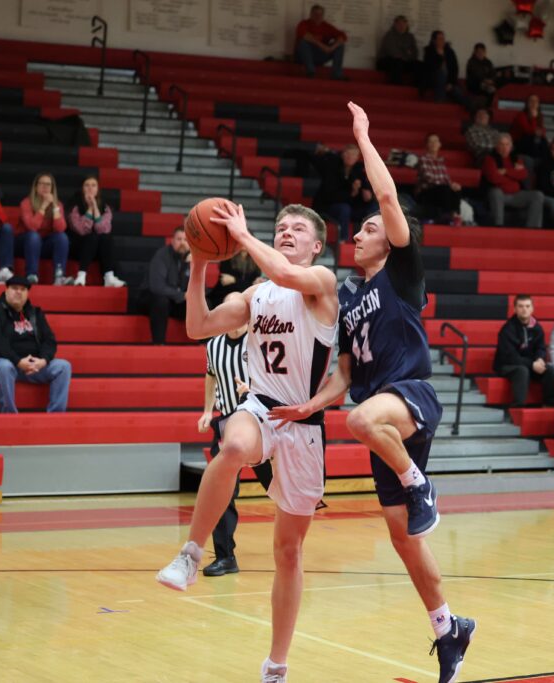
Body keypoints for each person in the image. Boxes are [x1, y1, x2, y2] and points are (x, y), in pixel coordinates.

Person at [268, 101, 475, 683]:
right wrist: (310, 405)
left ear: (389, 237)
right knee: (404, 539)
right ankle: (448, 627)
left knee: (360, 422)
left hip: (411, 394)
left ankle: (419, 483)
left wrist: (363, 138)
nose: (357, 234)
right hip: (383, 411)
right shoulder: (352, 299)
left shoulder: (401, 271)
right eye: (357, 229)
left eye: (367, 229)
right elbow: (345, 376)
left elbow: (388, 202)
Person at [156, 201, 339, 683]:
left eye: (298, 228)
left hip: (302, 420)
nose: (286, 232)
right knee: (233, 445)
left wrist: (240, 234)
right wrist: (199, 261)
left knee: (288, 552)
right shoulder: (255, 295)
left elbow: (283, 270)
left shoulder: (322, 282)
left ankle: (276, 665)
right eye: (280, 226)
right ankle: (191, 554)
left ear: (316, 246)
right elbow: (197, 326)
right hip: (258, 406)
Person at [199, 292, 272, 577]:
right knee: (221, 491)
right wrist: (207, 410)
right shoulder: (214, 345)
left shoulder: (259, 340)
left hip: (259, 424)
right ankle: (225, 556)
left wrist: (252, 391)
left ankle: (293, 545)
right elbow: (210, 375)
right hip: (227, 424)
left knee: (283, 491)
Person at [0, 275, 72, 414]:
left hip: (32, 365)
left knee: (63, 366)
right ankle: (10, 415)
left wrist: (43, 360)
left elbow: (49, 340)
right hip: (4, 364)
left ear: (27, 293)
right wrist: (17, 361)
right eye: (14, 288)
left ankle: (56, 414)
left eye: (23, 289)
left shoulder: (35, 313)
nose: (18, 292)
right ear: (6, 290)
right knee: (4, 366)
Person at [495, 295, 554, 407]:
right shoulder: (508, 329)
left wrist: (539, 358)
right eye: (521, 306)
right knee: (522, 371)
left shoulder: (537, 328)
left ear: (532, 309)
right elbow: (510, 356)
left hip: (530, 364)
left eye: (527, 306)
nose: (524, 309)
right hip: (506, 365)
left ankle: (549, 404)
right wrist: (532, 364)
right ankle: (517, 408)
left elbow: (541, 348)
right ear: (515, 309)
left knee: (549, 370)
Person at [66, 176, 125, 288]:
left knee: (106, 238)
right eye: (87, 185)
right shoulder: (75, 206)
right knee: (91, 237)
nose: (90, 188)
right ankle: (81, 275)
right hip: (78, 247)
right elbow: (82, 230)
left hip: (97, 249)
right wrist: (89, 208)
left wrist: (95, 208)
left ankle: (108, 277)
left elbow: (103, 230)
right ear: (82, 188)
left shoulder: (105, 207)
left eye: (93, 185)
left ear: (98, 189)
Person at [311, 144, 374, 241]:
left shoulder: (358, 171)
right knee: (344, 209)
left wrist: (367, 194)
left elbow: (366, 194)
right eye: (348, 154)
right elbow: (330, 195)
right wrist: (352, 193)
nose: (350, 157)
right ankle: (342, 240)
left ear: (357, 158)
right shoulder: (333, 168)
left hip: (353, 207)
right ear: (343, 155)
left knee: (374, 207)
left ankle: (371, 238)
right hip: (328, 206)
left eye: (353, 155)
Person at [19, 173, 71, 286]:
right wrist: (44, 205)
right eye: (41, 183)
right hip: (26, 243)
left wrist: (54, 207)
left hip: (45, 244)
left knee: (62, 237)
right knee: (34, 235)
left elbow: (60, 228)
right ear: (35, 187)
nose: (45, 187)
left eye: (48, 184)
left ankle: (59, 276)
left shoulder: (58, 204)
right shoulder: (26, 203)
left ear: (52, 188)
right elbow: (32, 227)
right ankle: (31, 274)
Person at [483, 134, 544, 228]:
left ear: (511, 146)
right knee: (495, 192)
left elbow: (523, 174)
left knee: (538, 195)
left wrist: (506, 171)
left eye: (507, 144)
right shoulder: (490, 159)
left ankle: (533, 229)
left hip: (516, 194)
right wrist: (514, 176)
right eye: (501, 144)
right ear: (496, 146)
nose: (504, 147)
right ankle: (498, 227)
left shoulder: (516, 158)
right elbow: (494, 178)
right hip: (500, 195)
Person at [144, 226, 191, 345]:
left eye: (185, 240)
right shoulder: (162, 255)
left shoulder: (192, 259)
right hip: (153, 300)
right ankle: (158, 343)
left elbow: (203, 288)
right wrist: (182, 295)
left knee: (204, 302)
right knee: (161, 301)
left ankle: (205, 345)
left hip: (176, 302)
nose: (182, 243)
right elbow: (157, 287)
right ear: (172, 240)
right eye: (179, 239)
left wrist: (195, 267)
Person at [415, 133, 462, 224]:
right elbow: (428, 178)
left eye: (436, 141)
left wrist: (452, 185)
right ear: (427, 145)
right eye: (431, 141)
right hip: (426, 192)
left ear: (439, 144)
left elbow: (446, 178)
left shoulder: (441, 161)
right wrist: (448, 185)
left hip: (440, 189)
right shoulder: (423, 159)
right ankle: (447, 215)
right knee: (444, 188)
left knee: (456, 189)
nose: (433, 144)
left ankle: (455, 215)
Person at [295, 4, 347, 80]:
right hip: (304, 57)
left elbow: (343, 36)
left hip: (319, 55)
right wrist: (323, 46)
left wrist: (331, 48)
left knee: (340, 46)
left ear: (323, 15)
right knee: (303, 43)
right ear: (311, 14)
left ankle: (336, 74)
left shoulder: (327, 26)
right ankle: (310, 71)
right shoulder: (303, 24)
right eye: (315, 14)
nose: (318, 16)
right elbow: (305, 35)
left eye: (320, 14)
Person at [421, 31, 463, 104]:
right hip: (433, 79)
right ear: (434, 40)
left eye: (443, 39)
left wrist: (450, 83)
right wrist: (440, 56)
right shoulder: (429, 50)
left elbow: (454, 69)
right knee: (441, 74)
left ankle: (473, 107)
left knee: (457, 91)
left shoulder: (450, 51)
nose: (442, 41)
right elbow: (430, 68)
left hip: (448, 80)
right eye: (439, 39)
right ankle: (440, 101)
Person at [376, 15, 419, 85]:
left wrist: (407, 55)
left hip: (404, 61)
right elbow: (393, 53)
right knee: (397, 63)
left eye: (404, 24)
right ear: (395, 25)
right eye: (399, 24)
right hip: (386, 61)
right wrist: (407, 52)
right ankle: (397, 86)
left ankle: (415, 86)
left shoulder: (410, 37)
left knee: (418, 64)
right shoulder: (389, 35)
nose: (402, 26)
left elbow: (415, 53)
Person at [509, 94, 548, 160]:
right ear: (527, 103)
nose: (534, 103)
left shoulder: (540, 116)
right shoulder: (521, 115)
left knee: (543, 141)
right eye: (531, 101)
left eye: (536, 101)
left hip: (532, 141)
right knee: (533, 138)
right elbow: (527, 130)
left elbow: (543, 131)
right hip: (518, 141)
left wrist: (540, 132)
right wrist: (533, 118)